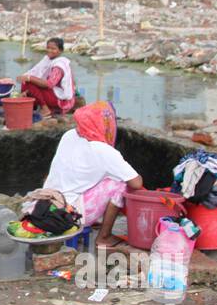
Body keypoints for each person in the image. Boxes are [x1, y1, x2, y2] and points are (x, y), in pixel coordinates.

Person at [30, 101, 143, 244]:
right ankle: (104, 237)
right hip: (70, 212)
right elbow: (136, 183)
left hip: (46, 205)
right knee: (118, 184)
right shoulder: (104, 150)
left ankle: (94, 221)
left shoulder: (69, 135)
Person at [17, 38, 75, 115]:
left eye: (53, 49)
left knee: (29, 83)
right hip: (52, 92)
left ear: (60, 51)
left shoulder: (59, 65)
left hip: (60, 98)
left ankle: (45, 109)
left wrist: (30, 78)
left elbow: (49, 84)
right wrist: (26, 84)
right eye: (48, 48)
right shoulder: (47, 59)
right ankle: (32, 105)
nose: (49, 50)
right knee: (25, 82)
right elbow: (34, 72)